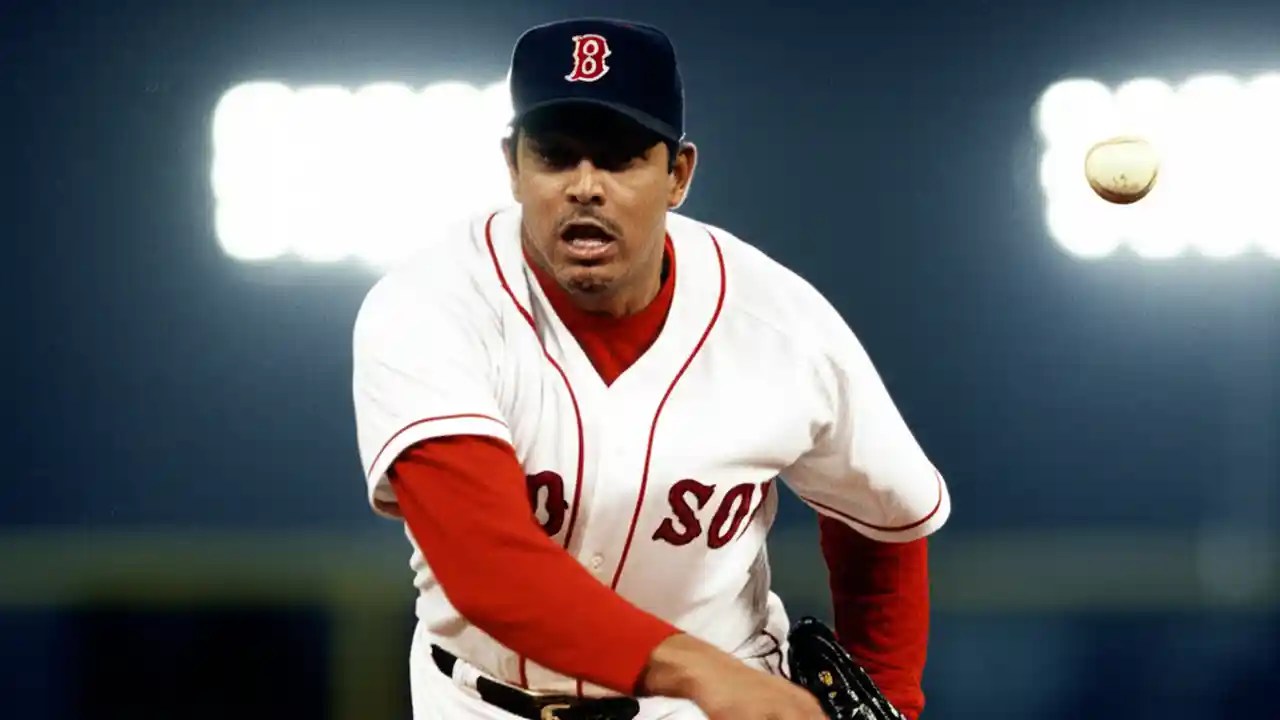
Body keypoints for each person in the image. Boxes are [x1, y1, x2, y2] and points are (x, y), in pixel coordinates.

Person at [351, 17, 949, 720]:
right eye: (555, 156)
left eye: (619, 157)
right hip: (482, 704)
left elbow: (886, 519)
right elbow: (490, 568)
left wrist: (897, 705)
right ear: (512, 165)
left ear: (679, 175)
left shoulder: (779, 323)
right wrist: (702, 673)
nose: (584, 185)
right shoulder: (432, 305)